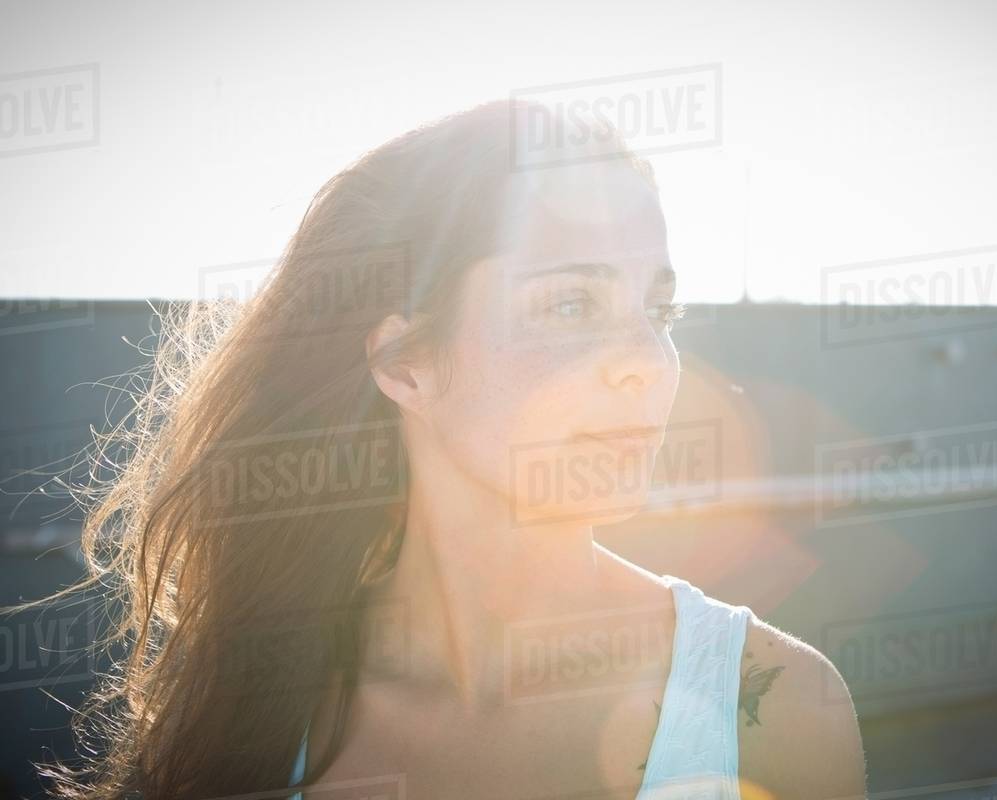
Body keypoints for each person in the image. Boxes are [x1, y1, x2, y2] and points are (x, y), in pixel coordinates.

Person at [19, 99, 865, 799]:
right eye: (571, 305)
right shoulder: (255, 706)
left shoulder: (780, 705)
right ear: (403, 361)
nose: (649, 361)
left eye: (660, 310)